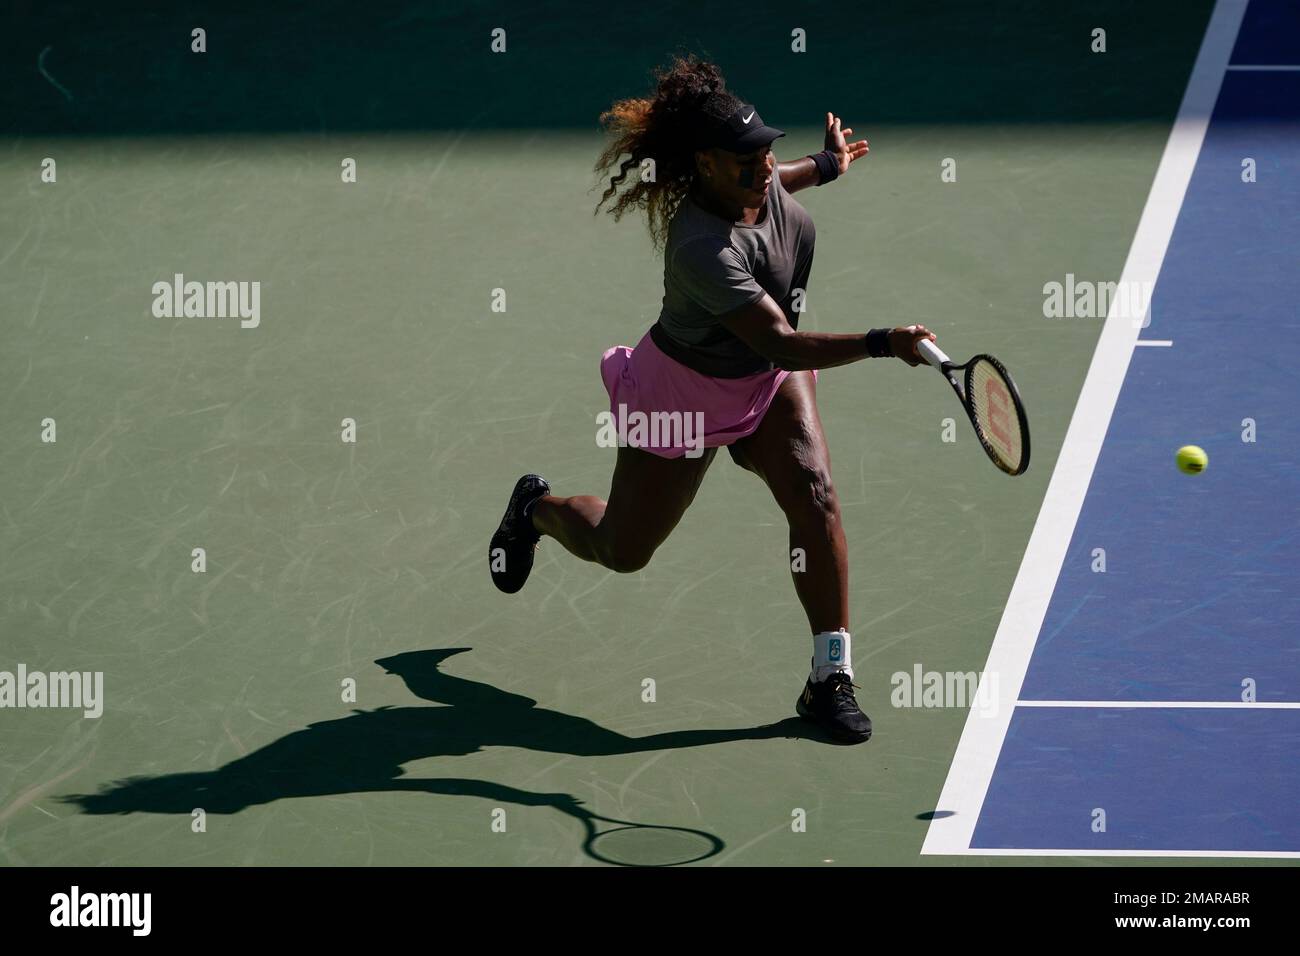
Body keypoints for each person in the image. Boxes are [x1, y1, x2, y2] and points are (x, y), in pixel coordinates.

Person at [489, 55, 936, 743]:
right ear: (704, 164)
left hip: (766, 382)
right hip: (686, 397)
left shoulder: (758, 181)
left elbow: (785, 187)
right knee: (622, 550)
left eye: (765, 151)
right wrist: (883, 342)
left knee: (815, 495)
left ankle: (830, 678)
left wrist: (828, 163)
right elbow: (785, 343)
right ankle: (535, 509)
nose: (762, 166)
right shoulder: (701, 247)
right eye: (744, 158)